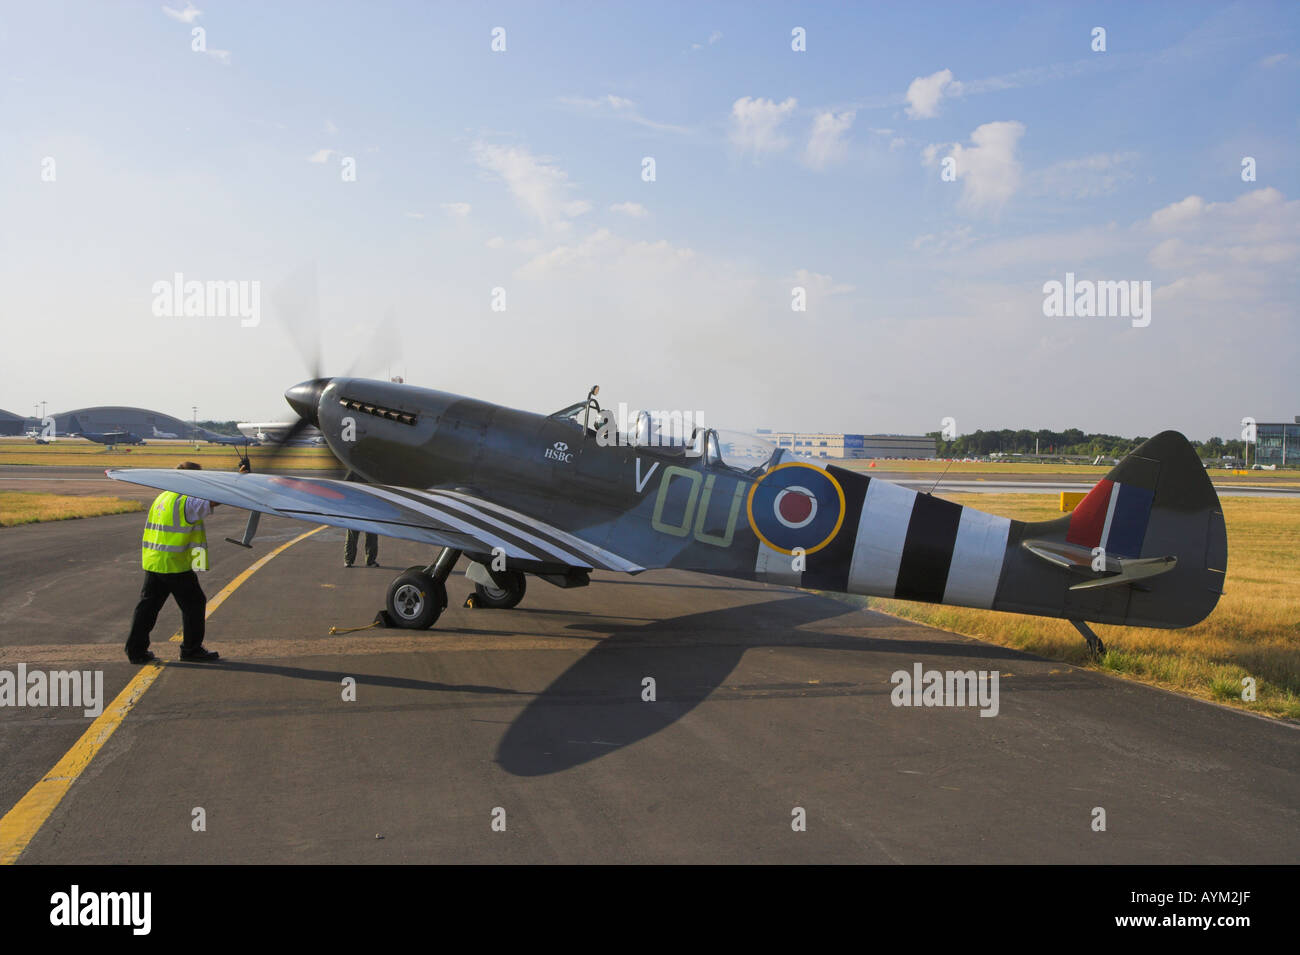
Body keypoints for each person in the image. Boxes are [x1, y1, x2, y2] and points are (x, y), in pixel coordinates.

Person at [124, 460, 246, 663]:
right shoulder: (186, 502)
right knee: (194, 604)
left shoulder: (164, 496)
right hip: (174, 564)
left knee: (148, 607)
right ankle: (191, 649)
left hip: (155, 561)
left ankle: (135, 650)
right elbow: (215, 500)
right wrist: (240, 479)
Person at [342, 471, 379, 567]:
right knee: (352, 537)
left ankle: (370, 561)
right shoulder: (354, 471)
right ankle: (348, 560)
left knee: (372, 537)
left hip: (370, 509)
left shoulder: (374, 471)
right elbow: (344, 486)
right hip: (356, 509)